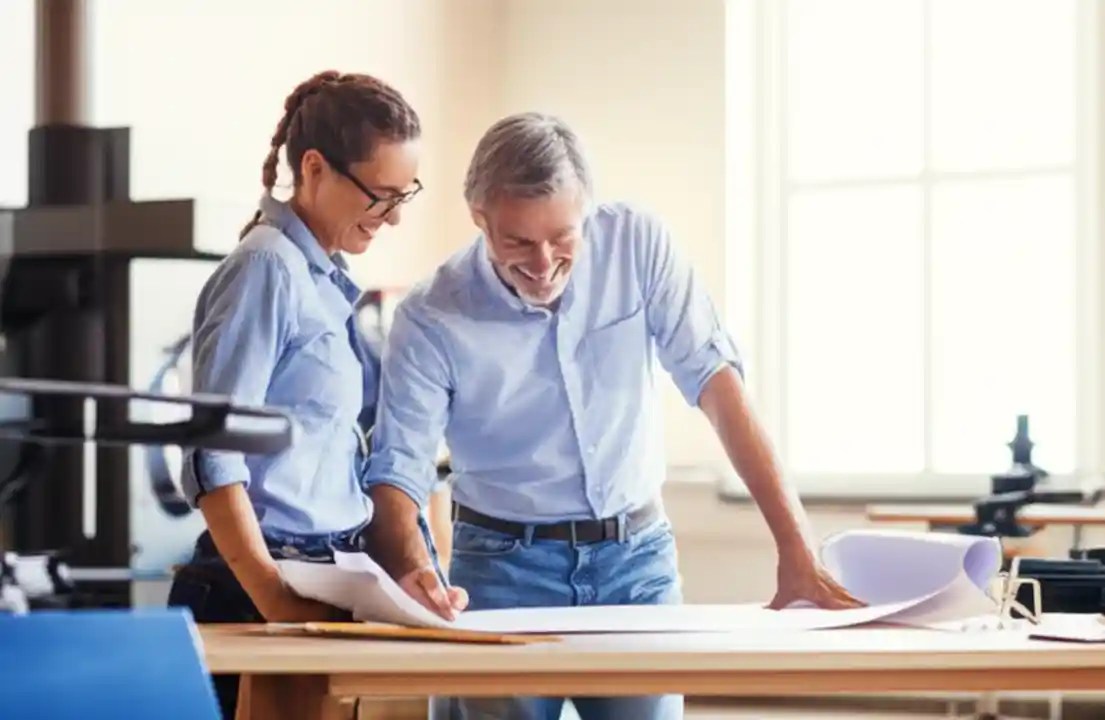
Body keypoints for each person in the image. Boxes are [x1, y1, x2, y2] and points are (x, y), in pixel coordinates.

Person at [363, 112, 861, 720]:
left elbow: (717, 384)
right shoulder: (432, 314)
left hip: (637, 565)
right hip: (501, 571)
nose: (543, 263)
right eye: (517, 241)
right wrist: (416, 570)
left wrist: (797, 550)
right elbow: (397, 470)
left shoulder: (637, 245)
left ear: (587, 212)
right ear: (480, 218)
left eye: (562, 238)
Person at [166, 69, 425, 718]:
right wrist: (274, 597)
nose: (391, 219)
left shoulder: (325, 279)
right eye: (379, 196)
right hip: (260, 582)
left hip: (320, 573)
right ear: (314, 168)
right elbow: (210, 453)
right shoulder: (266, 267)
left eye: (404, 196)